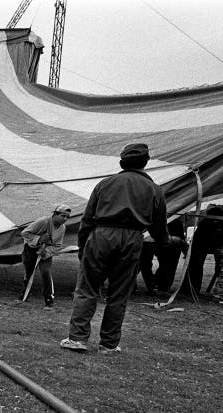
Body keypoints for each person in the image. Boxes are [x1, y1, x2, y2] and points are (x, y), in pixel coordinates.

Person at [60, 143, 177, 354]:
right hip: (132, 239)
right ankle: (109, 344)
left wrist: (83, 246)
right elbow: (159, 227)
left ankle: (77, 339)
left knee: (87, 289)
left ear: (122, 162)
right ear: (146, 162)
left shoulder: (105, 183)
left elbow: (87, 219)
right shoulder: (154, 189)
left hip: (101, 236)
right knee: (119, 294)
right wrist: (166, 242)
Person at [19, 204, 71, 308]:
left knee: (46, 272)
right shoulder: (43, 221)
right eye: (63, 216)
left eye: (67, 217)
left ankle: (49, 300)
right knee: (29, 272)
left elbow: (57, 245)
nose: (65, 219)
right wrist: (39, 239)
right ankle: (24, 295)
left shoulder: (62, 228)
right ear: (55, 214)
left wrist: (45, 252)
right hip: (30, 249)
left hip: (46, 252)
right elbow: (24, 233)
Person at [182, 204, 223, 296]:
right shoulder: (205, 224)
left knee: (219, 268)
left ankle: (192, 288)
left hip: (209, 245)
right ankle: (191, 288)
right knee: (195, 265)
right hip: (200, 245)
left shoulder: (210, 223)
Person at [138, 218, 185, 295]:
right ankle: (154, 287)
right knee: (144, 263)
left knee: (145, 263)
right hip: (148, 236)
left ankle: (155, 286)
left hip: (149, 236)